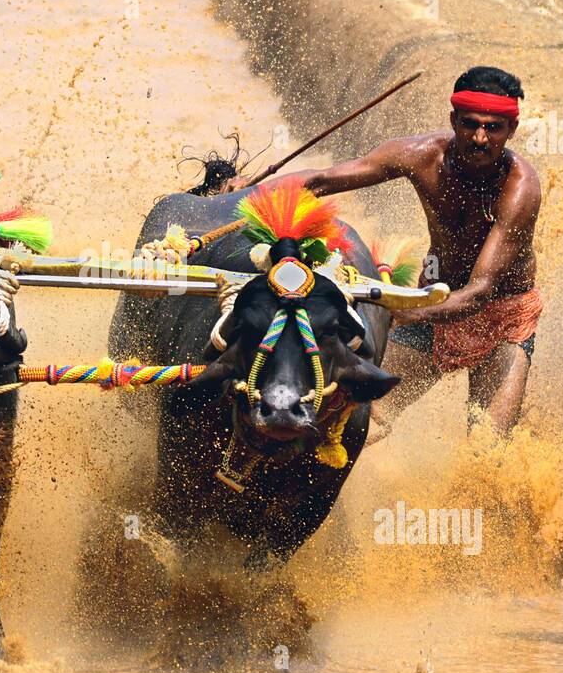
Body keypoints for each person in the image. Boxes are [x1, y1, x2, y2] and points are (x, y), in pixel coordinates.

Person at [228, 66, 542, 437]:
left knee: (489, 447)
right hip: (432, 303)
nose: (479, 137)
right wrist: (247, 194)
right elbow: (320, 180)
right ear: (453, 120)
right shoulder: (421, 156)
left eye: (493, 127)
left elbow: (479, 291)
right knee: (359, 419)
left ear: (512, 131)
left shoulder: (520, 188)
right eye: (470, 123)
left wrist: (407, 311)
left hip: (501, 318)